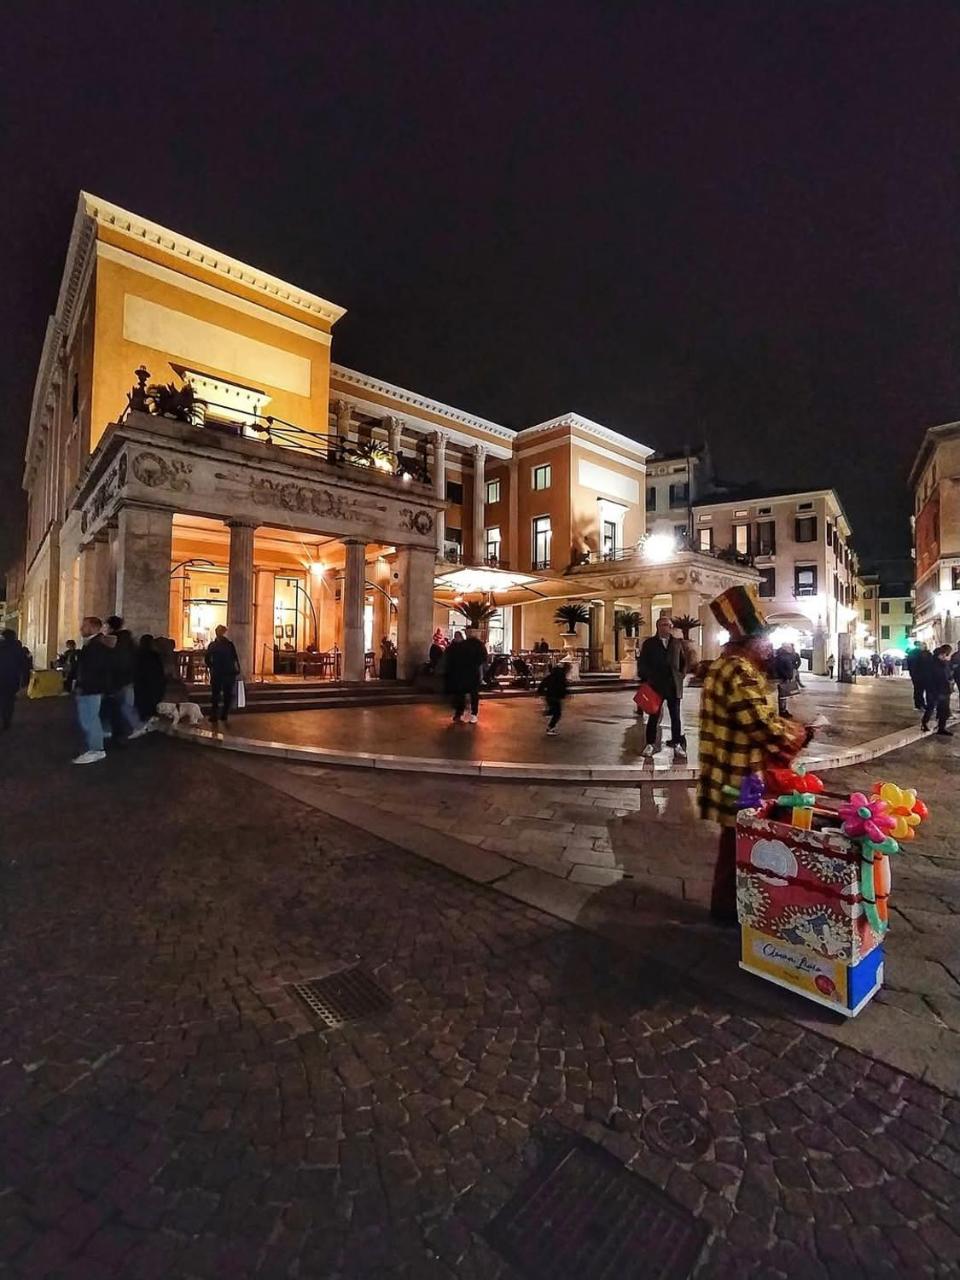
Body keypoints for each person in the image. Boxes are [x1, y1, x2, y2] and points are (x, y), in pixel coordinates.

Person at [698, 586, 810, 925]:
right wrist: (802, 732)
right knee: (742, 845)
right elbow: (763, 728)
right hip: (742, 780)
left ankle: (727, 908)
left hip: (726, 774)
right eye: (767, 641)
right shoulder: (740, 671)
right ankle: (736, 911)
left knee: (733, 843)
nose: (770, 648)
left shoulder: (721, 667)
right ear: (752, 643)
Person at [637, 613, 688, 759]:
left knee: (675, 717)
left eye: (669, 625)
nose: (667, 628)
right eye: (664, 625)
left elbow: (684, 662)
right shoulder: (650, 644)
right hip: (656, 685)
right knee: (653, 716)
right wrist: (647, 678)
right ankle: (650, 744)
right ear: (658, 627)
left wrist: (680, 675)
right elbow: (642, 663)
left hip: (673, 686)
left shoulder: (677, 643)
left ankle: (677, 744)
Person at [73, 616, 115, 764]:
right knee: (89, 718)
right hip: (90, 687)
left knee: (90, 718)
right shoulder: (95, 644)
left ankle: (96, 749)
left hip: (91, 688)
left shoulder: (95, 646)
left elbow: (93, 670)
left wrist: (82, 685)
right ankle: (94, 746)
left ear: (93, 627)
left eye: (84, 626)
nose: (81, 629)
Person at [103, 616, 147, 740]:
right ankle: (134, 726)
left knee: (120, 704)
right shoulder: (128, 640)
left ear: (111, 627)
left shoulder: (113, 640)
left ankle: (135, 726)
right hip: (128, 677)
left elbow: (114, 660)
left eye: (106, 626)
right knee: (124, 704)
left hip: (118, 677)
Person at [444, 627, 487, 723]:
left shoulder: (462, 645)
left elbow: (452, 657)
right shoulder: (478, 645)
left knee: (463, 693)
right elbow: (482, 660)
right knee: (472, 693)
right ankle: (471, 714)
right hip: (471, 672)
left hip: (464, 673)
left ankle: (461, 713)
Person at [205, 624, 241, 724]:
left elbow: (207, 658)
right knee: (221, 695)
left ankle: (218, 714)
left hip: (222, 672)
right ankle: (220, 714)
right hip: (224, 672)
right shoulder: (227, 644)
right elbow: (234, 658)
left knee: (220, 695)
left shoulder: (216, 645)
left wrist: (211, 666)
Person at [0, 629, 30, 731]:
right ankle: (6, 720)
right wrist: (25, 680)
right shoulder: (18, 648)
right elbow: (24, 664)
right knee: (9, 700)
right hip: (13, 678)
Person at [921, 644, 953, 736]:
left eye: (945, 654)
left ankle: (941, 728)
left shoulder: (945, 664)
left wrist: (950, 679)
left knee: (945, 711)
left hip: (945, 690)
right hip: (935, 691)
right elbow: (929, 679)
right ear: (937, 655)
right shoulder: (932, 665)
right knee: (931, 708)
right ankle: (924, 723)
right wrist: (933, 690)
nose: (944, 656)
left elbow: (948, 675)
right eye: (942, 654)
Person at [134, 634, 167, 723]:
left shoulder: (137, 654)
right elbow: (160, 671)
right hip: (153, 684)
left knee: (142, 706)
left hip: (141, 684)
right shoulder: (155, 655)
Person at [537, 658, 570, 735]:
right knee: (557, 713)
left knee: (554, 710)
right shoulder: (561, 677)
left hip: (549, 695)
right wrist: (565, 694)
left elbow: (543, 683)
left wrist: (540, 692)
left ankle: (547, 713)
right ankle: (550, 728)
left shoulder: (552, 675)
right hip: (555, 696)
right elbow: (562, 687)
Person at [905, 642, 931, 711]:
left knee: (918, 690)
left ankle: (919, 705)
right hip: (922, 675)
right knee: (921, 690)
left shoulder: (912, 653)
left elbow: (910, 665)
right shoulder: (923, 654)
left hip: (916, 675)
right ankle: (921, 705)